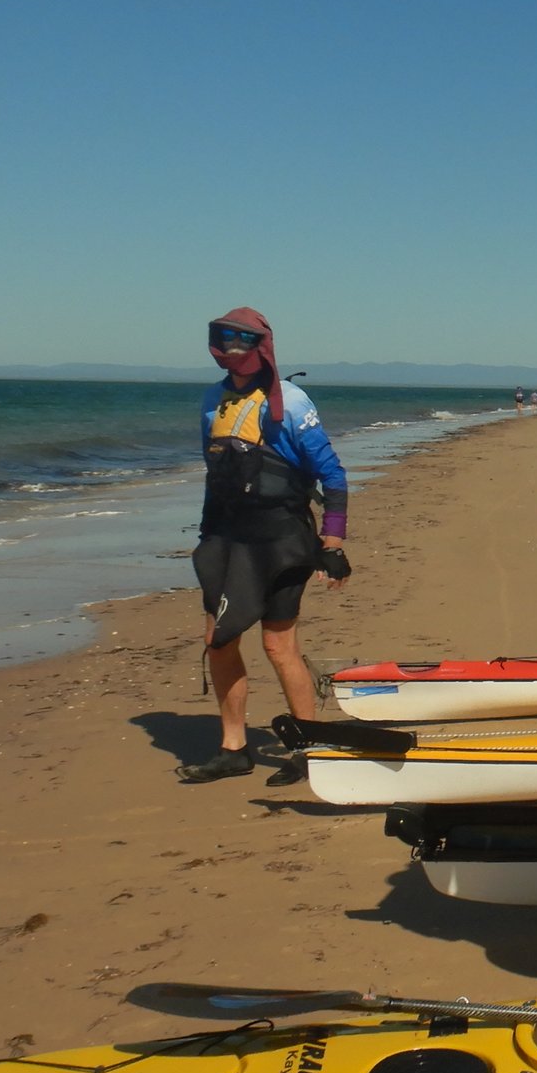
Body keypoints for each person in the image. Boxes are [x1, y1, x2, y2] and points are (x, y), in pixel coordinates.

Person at [182, 308, 351, 783]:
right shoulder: (212, 401)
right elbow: (214, 473)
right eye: (224, 339)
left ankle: (309, 747)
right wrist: (207, 537)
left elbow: (332, 475)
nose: (233, 348)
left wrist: (332, 542)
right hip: (227, 537)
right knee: (219, 641)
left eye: (243, 340)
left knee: (279, 645)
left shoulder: (292, 403)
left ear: (262, 345)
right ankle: (234, 747)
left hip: (282, 539)